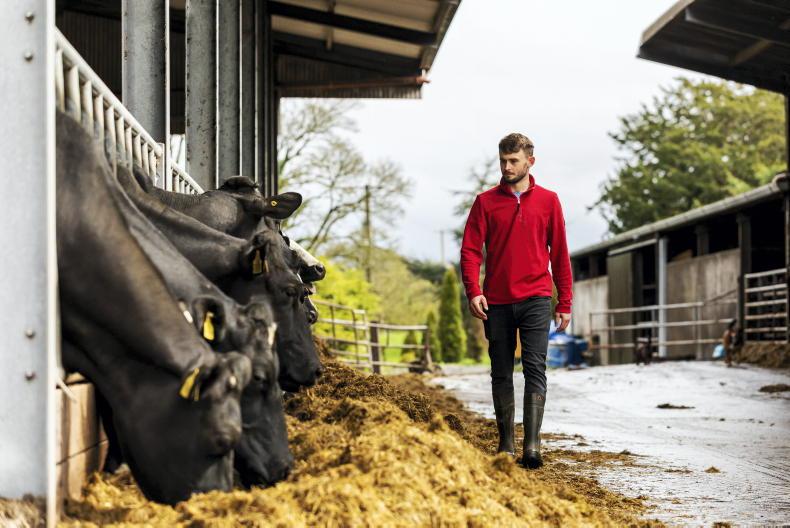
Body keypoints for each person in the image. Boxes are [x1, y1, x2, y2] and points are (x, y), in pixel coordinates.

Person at [460, 133, 572, 469]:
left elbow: (561, 253)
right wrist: (473, 290)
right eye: (503, 161)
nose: (507, 167)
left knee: (536, 368)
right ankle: (506, 443)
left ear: (529, 162)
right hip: (496, 300)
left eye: (514, 161)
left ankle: (533, 446)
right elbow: (470, 250)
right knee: (501, 371)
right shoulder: (485, 202)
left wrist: (564, 300)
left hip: (537, 297)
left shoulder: (549, 201)